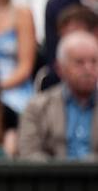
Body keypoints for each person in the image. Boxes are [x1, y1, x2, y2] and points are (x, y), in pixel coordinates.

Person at [18, 30, 98, 160]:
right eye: (79, 62)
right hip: (50, 179)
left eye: (94, 61)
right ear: (60, 68)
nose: (88, 69)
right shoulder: (37, 107)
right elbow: (29, 154)